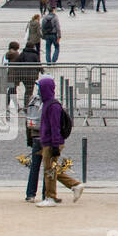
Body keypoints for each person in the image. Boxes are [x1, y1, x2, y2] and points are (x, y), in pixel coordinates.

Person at [35, 75, 84, 206]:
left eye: (39, 88)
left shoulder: (53, 106)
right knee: (51, 169)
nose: (38, 91)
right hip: (48, 141)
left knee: (49, 170)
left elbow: (55, 127)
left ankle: (51, 197)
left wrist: (55, 146)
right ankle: (75, 185)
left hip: (52, 143)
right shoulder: (47, 104)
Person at [23, 80, 43, 203]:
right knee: (49, 168)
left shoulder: (32, 101)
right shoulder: (51, 102)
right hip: (47, 138)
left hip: (35, 137)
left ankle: (30, 194)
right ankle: (47, 194)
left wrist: (29, 139)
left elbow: (27, 122)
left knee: (34, 167)